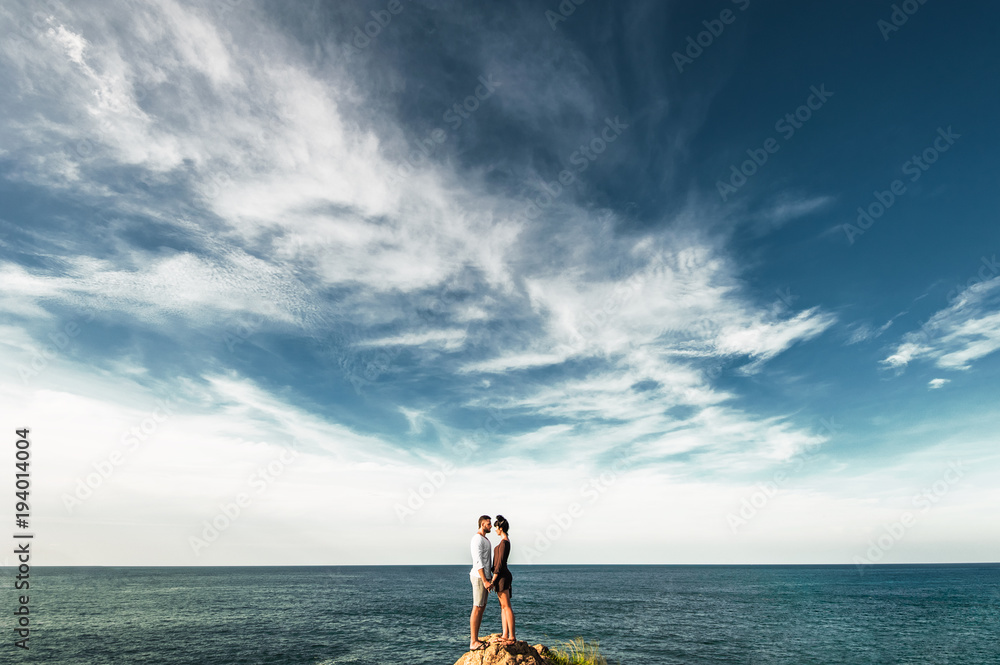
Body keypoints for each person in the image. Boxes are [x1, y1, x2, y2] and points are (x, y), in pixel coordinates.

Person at [489, 515, 516, 645]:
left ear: (500, 528)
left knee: (507, 606)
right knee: (503, 607)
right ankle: (505, 634)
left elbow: (499, 564)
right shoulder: (503, 542)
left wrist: (493, 580)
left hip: (502, 577)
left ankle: (512, 637)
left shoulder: (504, 543)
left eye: (496, 527)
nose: (495, 530)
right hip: (500, 576)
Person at [469, 515, 493, 651]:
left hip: (485, 578)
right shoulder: (477, 539)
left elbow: (487, 560)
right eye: (489, 524)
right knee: (477, 607)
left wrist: (489, 578)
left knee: (481, 607)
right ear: (482, 524)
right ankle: (473, 641)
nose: (491, 526)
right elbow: (478, 560)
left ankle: (476, 639)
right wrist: (484, 580)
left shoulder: (485, 539)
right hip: (479, 578)